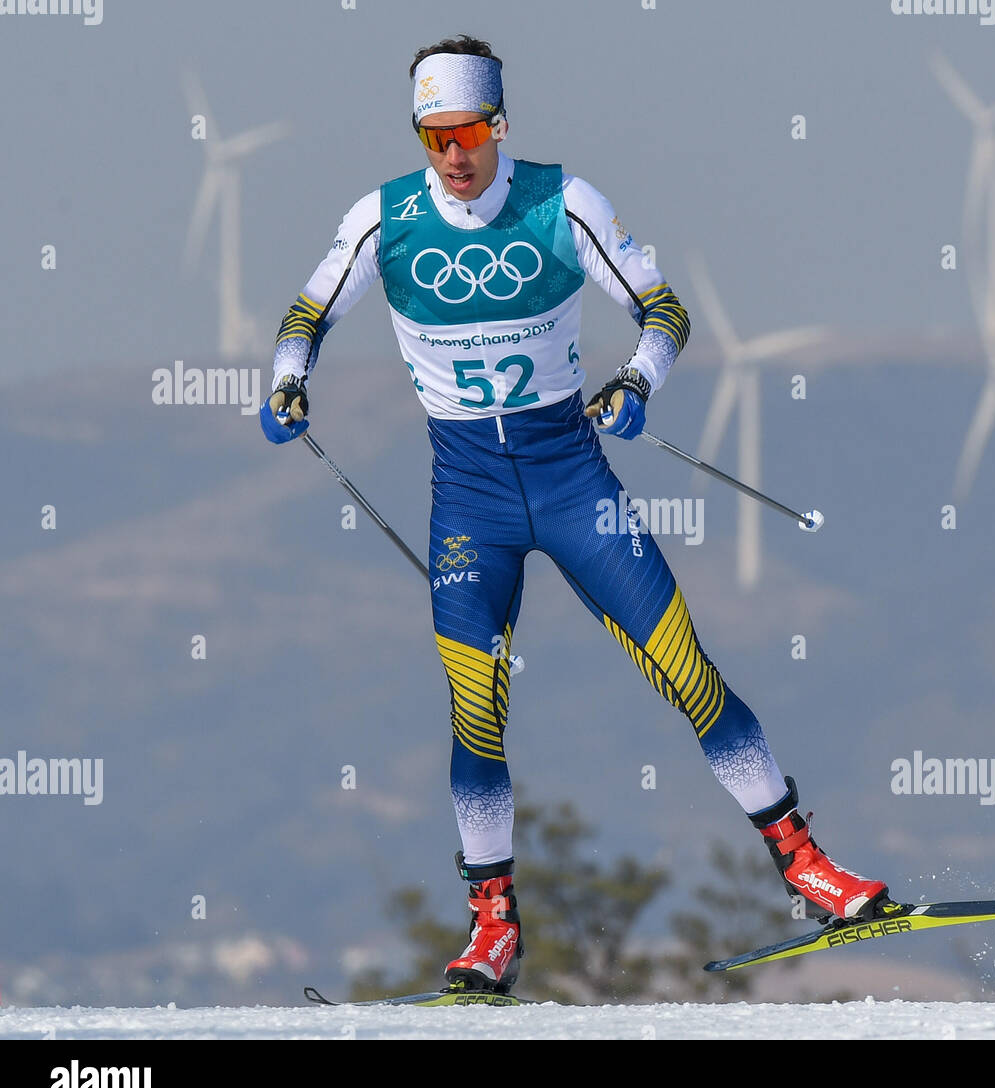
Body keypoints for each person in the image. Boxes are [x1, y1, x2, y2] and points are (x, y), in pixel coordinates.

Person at [261, 34, 895, 994]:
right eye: (434, 136)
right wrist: (286, 382)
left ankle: (808, 866)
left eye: (469, 131)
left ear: (500, 125)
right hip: (470, 498)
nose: (453, 156)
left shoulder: (562, 202)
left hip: (571, 482)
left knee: (686, 671)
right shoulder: (384, 219)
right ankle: (493, 928)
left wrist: (638, 382)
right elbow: (308, 312)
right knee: (474, 714)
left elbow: (665, 309)